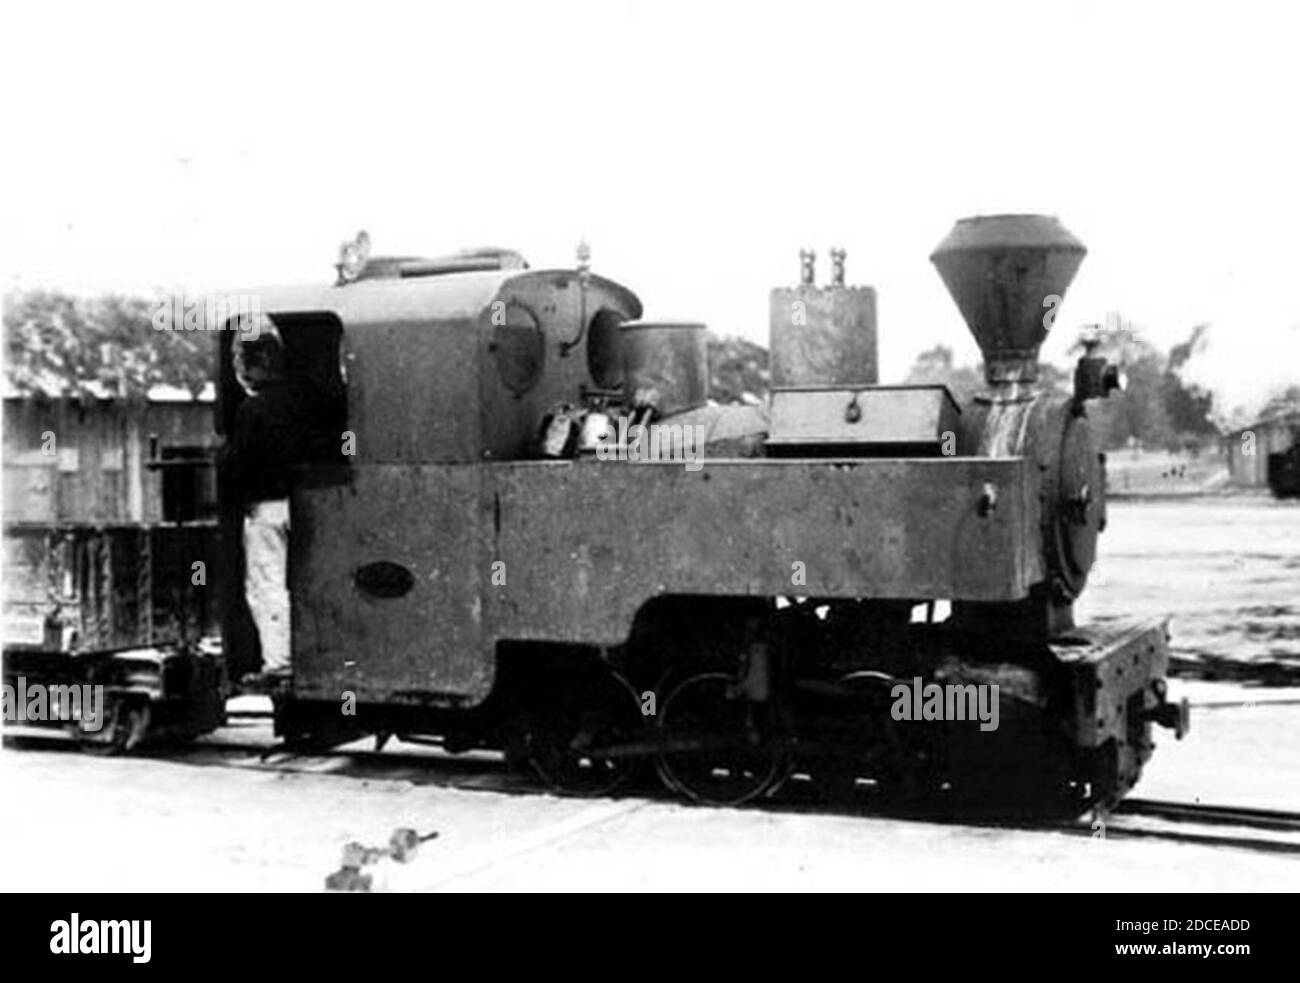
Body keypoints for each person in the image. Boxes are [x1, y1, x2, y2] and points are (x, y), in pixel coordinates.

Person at [226, 319, 314, 689]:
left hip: (266, 507)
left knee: (268, 584)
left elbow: (239, 465)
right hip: (303, 503)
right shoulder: (299, 404)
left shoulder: (253, 410)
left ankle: (279, 662)